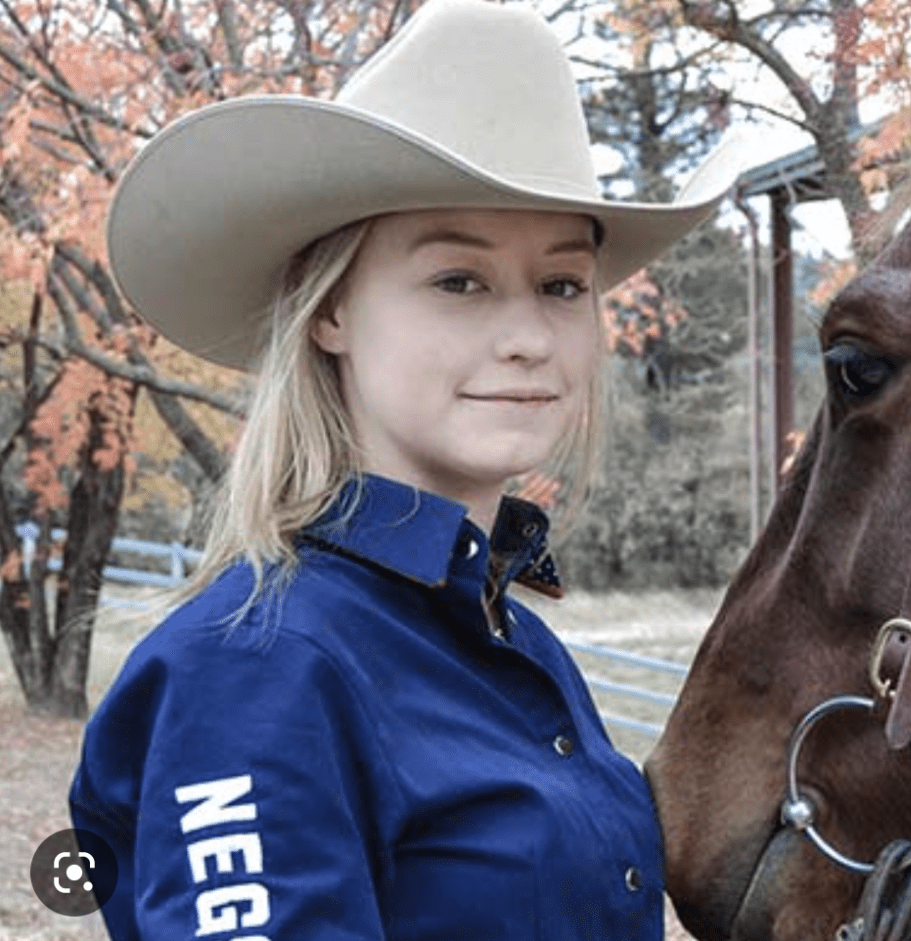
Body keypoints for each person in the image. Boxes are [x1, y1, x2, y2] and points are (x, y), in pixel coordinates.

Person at [67, 1, 742, 938]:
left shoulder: (517, 646)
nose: (528, 337)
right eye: (458, 281)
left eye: (562, 285)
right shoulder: (255, 671)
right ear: (330, 310)